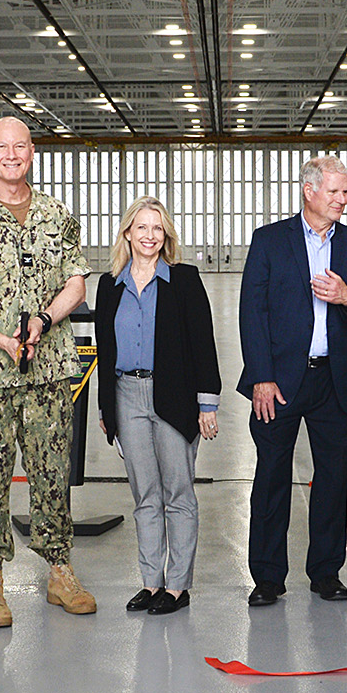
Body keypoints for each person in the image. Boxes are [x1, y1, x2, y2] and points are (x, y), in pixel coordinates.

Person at [0, 116, 97, 628]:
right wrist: (1, 339)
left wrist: (47, 319)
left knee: (52, 473)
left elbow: (76, 284)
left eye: (20, 146)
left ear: (33, 151)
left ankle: (59, 570)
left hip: (49, 368)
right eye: (2, 147)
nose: (12, 155)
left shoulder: (58, 217)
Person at [239, 155, 347, 607]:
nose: (343, 199)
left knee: (333, 479)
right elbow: (251, 314)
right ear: (309, 190)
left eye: (345, 192)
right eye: (335, 192)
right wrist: (261, 377)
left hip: (334, 382)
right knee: (271, 478)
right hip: (278, 382)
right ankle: (266, 577)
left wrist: (346, 297)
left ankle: (326, 572)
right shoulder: (269, 241)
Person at [93, 196, 222, 617]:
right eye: (141, 227)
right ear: (127, 233)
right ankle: (151, 583)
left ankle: (178, 587)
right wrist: (105, 408)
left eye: (157, 228)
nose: (149, 236)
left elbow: (203, 344)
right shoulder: (109, 284)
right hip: (126, 395)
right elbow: (104, 349)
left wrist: (208, 403)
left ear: (165, 235)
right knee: (145, 495)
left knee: (178, 493)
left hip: (173, 396)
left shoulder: (184, 280)